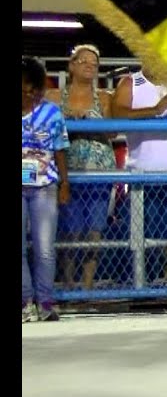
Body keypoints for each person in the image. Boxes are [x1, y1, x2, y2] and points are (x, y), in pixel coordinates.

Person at [113, 68, 167, 283]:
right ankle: (139, 282)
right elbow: (117, 113)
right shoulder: (131, 82)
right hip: (142, 176)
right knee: (140, 234)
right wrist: (155, 110)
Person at [53, 44, 117, 290]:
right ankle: (69, 285)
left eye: (95, 63)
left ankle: (88, 287)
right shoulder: (54, 97)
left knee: (94, 231)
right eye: (84, 61)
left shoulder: (104, 97)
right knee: (71, 230)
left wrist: (89, 123)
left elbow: (113, 131)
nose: (90, 65)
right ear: (71, 65)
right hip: (67, 172)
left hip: (99, 172)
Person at [23, 57, 70, 322]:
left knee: (44, 248)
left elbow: (60, 150)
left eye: (33, 88)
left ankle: (46, 302)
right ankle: (25, 302)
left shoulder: (51, 113)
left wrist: (65, 182)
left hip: (44, 187)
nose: (30, 93)